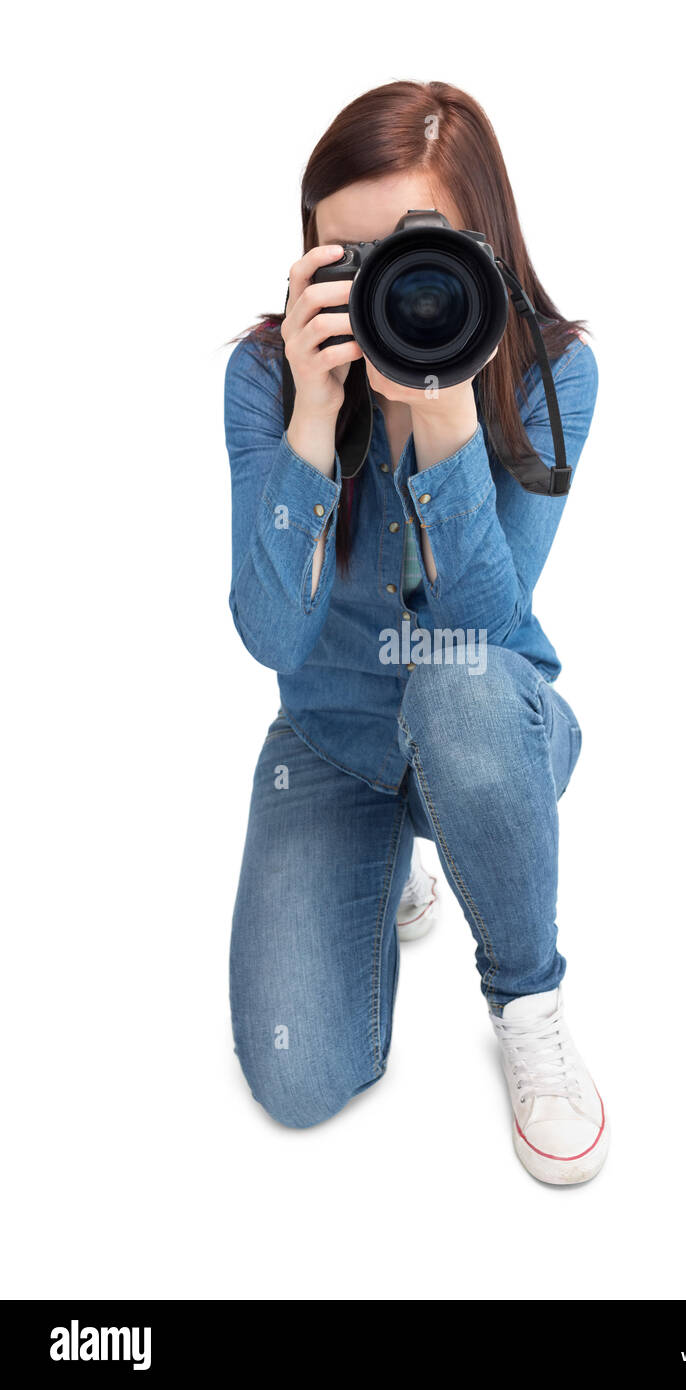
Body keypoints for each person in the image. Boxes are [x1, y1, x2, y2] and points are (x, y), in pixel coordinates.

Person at [223, 80, 606, 1184]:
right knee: (298, 1081)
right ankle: (383, 858)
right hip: (331, 740)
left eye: (417, 251)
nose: (393, 286)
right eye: (347, 257)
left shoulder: (549, 373)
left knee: (458, 678)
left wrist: (444, 425)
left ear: (483, 244)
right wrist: (308, 414)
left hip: (489, 722)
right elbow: (269, 635)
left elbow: (488, 632)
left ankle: (528, 997)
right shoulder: (266, 376)